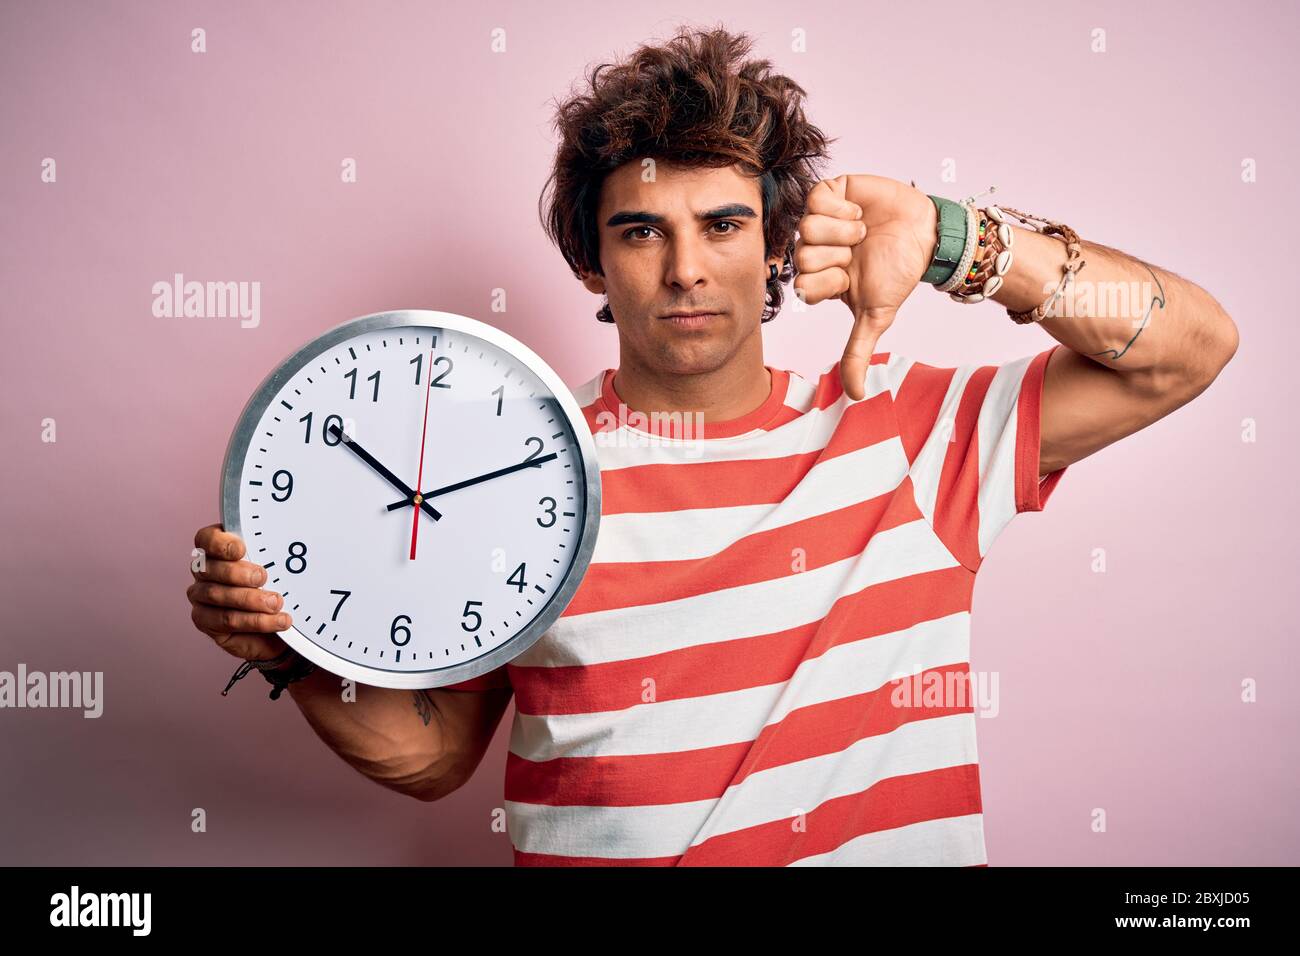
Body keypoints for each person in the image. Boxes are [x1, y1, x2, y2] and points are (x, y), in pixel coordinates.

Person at [187, 26, 1238, 865]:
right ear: (591, 264)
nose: (686, 268)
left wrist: (958, 240)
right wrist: (290, 647)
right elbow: (431, 753)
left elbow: (1185, 349)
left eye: (724, 225)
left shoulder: (903, 429)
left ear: (778, 245)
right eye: (642, 230)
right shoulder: (517, 473)